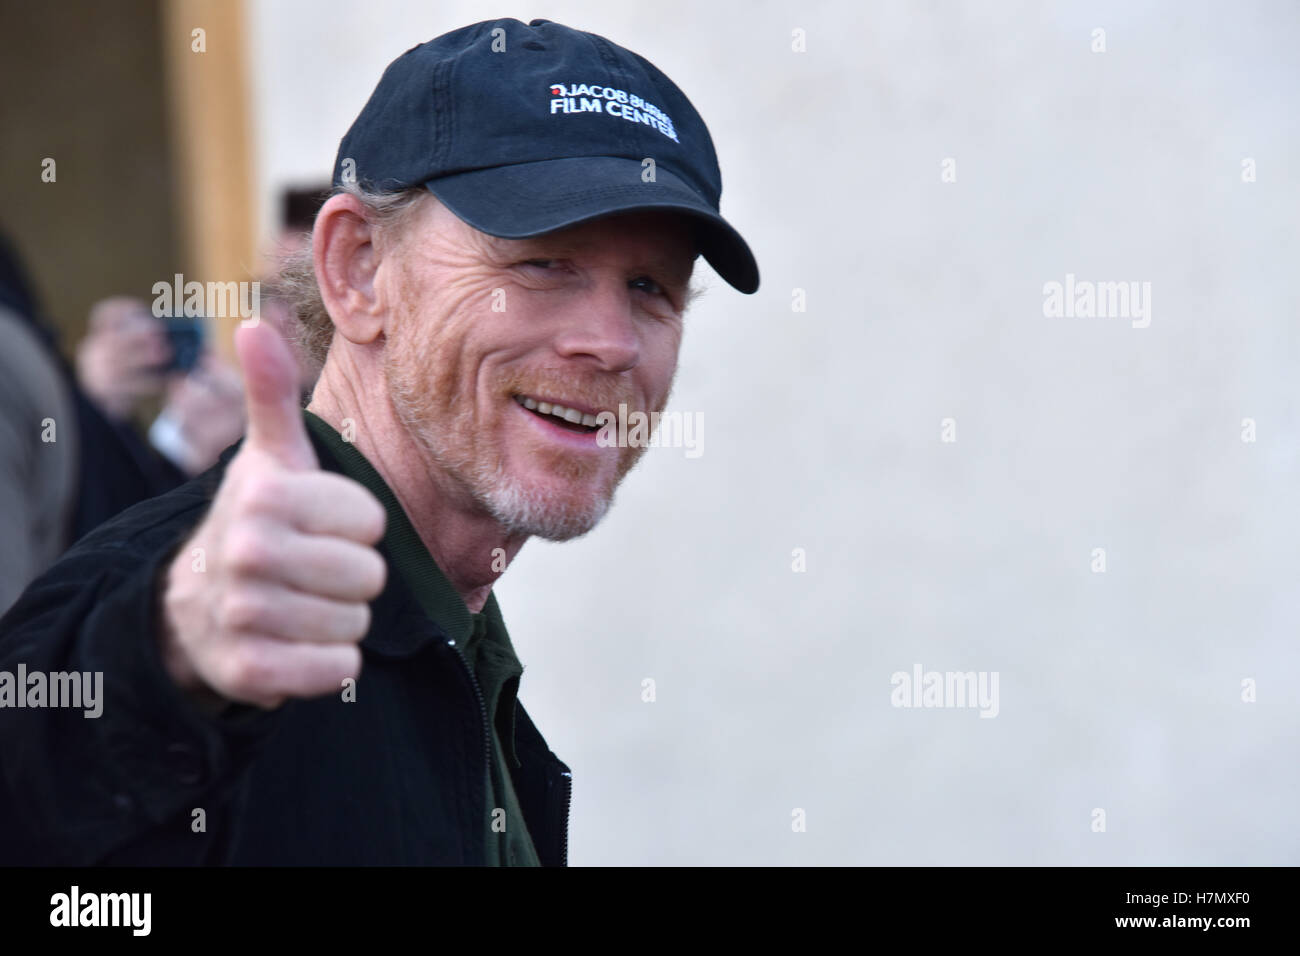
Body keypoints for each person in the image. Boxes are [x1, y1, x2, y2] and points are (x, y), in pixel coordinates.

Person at [0, 17, 758, 866]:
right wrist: (165, 655)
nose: (612, 343)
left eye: (652, 286)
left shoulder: (459, 649)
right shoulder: (212, 608)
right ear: (357, 269)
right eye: (544, 263)